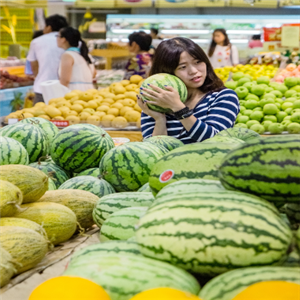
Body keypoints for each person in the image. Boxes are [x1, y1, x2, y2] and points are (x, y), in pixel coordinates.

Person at [138, 37, 239, 144]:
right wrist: (160, 119)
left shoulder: (224, 96)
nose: (194, 71)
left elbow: (215, 140)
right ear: (166, 72)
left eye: (198, 62)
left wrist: (178, 108)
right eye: (183, 67)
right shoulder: (156, 102)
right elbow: (153, 151)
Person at [27, 14, 68, 103]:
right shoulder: (71, 41)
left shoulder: (36, 41)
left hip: (42, 87)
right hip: (66, 88)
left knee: (39, 115)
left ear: (49, 27)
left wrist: (40, 75)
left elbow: (34, 66)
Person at [56, 27, 95, 91]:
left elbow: (65, 80)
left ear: (63, 39)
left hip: (74, 92)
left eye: (57, 36)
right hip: (89, 91)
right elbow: (94, 74)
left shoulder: (67, 55)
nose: (56, 39)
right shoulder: (85, 55)